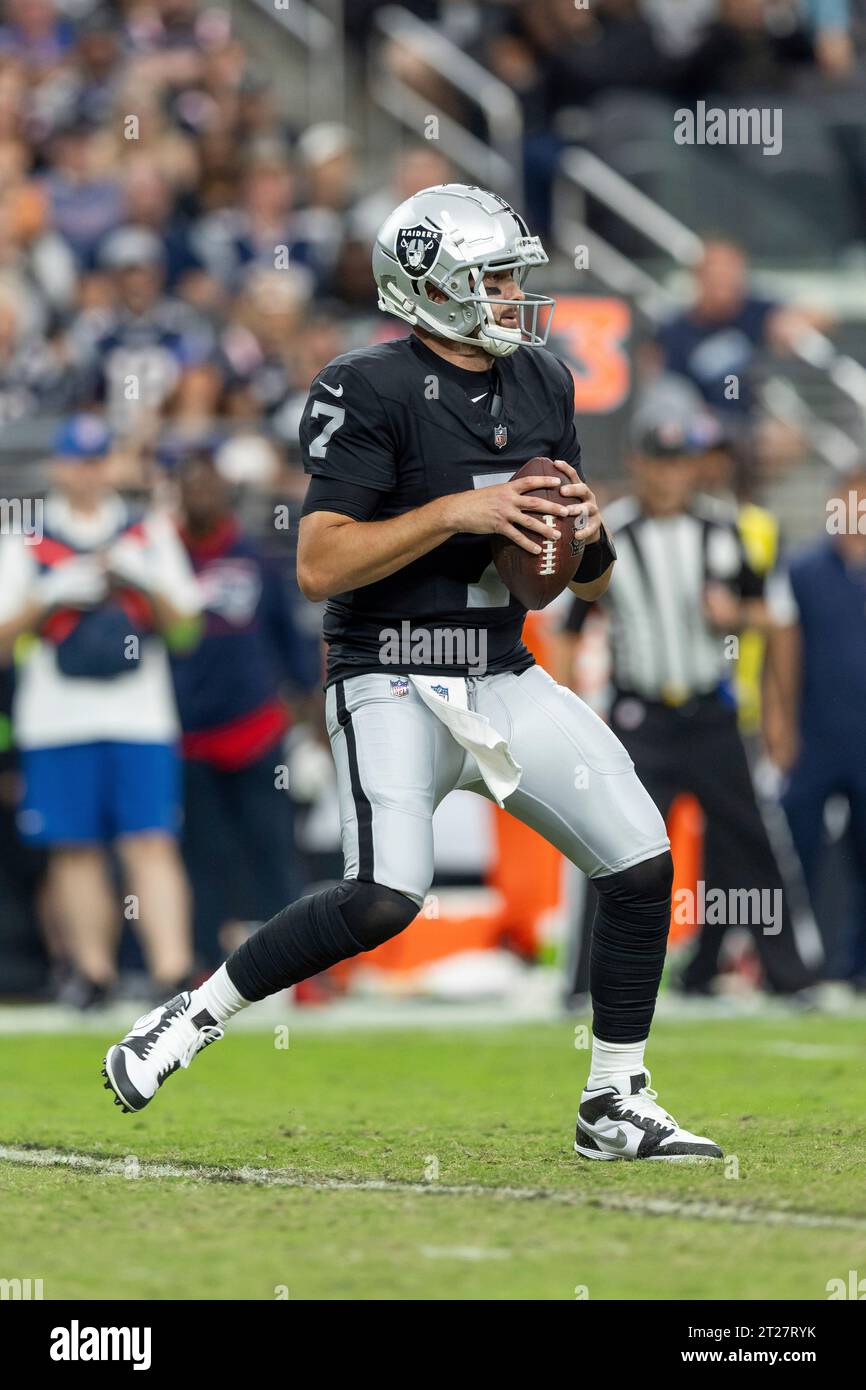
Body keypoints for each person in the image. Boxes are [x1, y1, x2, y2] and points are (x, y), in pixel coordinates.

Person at [104, 183, 723, 1164]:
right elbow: (317, 565)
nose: (515, 294)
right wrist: (450, 515)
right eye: (495, 277)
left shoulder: (543, 382)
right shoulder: (365, 384)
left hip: (500, 668)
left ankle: (615, 1097)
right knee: (385, 896)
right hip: (387, 669)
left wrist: (586, 542)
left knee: (642, 862)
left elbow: (573, 588)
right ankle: (190, 1014)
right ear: (431, 287)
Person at [559, 412, 817, 1003]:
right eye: (662, 461)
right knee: (619, 848)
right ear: (638, 464)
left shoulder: (723, 530)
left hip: (710, 713)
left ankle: (788, 976)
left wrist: (737, 625)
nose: (673, 475)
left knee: (751, 841)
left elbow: (770, 619)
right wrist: (575, 712)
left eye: (682, 462)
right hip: (638, 717)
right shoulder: (610, 530)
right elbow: (573, 628)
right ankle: (586, 983)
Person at [0, 414, 201, 1005]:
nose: (86, 473)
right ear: (58, 466)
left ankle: (173, 973)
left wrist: (139, 584)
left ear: (109, 464)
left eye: (95, 460)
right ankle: (93, 974)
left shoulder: (148, 532)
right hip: (57, 720)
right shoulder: (27, 539)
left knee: (151, 840)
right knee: (74, 847)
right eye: (75, 460)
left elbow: (187, 630)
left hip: (139, 717)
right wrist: (48, 597)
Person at [170, 450, 319, 967]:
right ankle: (201, 966)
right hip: (187, 736)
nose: (201, 496)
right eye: (190, 486)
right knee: (201, 857)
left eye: (209, 486)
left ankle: (298, 967)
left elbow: (287, 638)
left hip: (256, 729)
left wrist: (307, 702)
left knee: (274, 849)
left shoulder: (254, 555)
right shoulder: (163, 557)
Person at [764, 463, 866, 987]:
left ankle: (856, 970)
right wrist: (780, 724)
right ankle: (784, 968)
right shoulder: (803, 571)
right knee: (793, 851)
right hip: (815, 735)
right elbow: (782, 652)